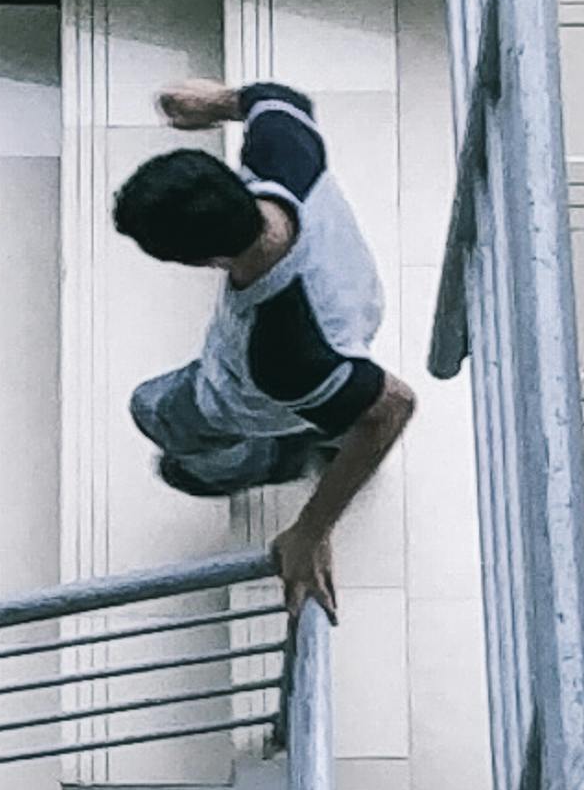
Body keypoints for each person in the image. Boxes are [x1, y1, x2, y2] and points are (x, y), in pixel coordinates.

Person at [113, 75, 417, 619]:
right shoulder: (284, 158)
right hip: (351, 307)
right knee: (327, 401)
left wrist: (311, 527)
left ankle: (272, 459)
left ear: (204, 262)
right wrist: (215, 103)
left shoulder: (282, 353)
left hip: (257, 394)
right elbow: (279, 100)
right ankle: (314, 436)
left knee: (157, 417)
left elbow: (393, 407)